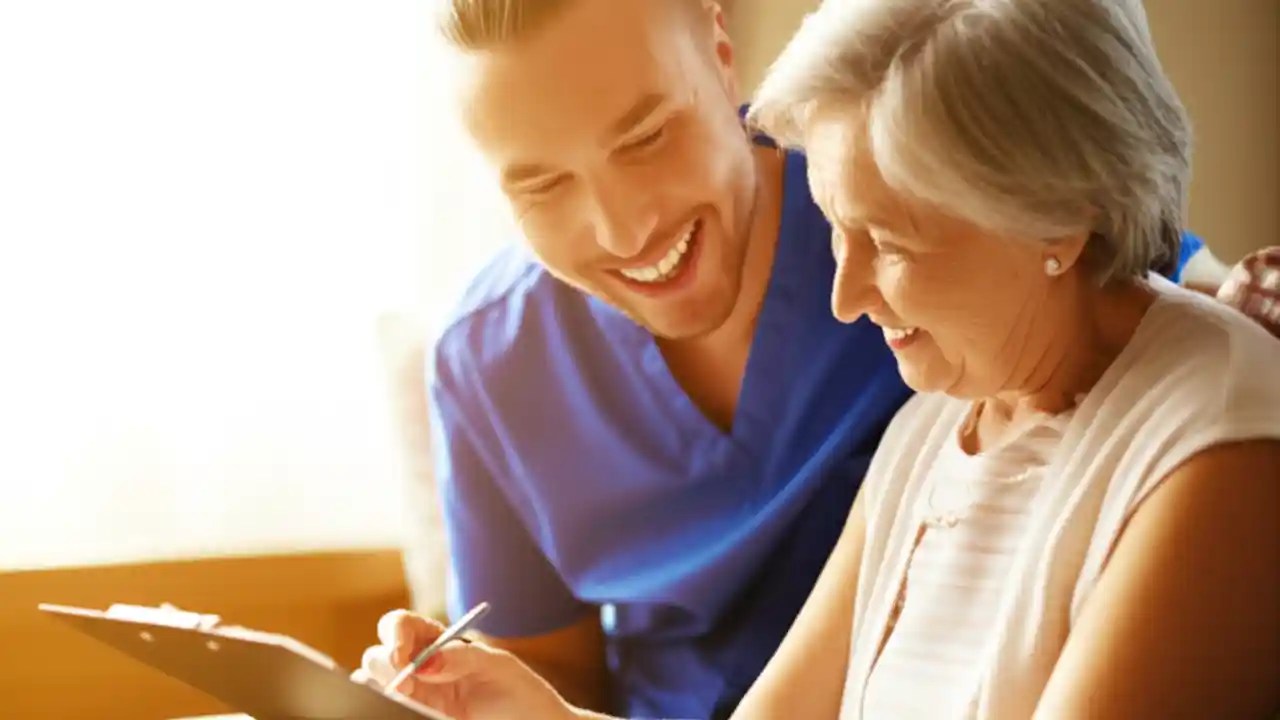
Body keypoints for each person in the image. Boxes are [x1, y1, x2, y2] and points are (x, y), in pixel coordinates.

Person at [356, 0, 1280, 718]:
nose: (622, 226)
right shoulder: (924, 434)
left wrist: (1241, 307)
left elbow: (1144, 263)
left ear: (721, 54)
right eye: (543, 185)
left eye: (645, 139)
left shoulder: (913, 166)